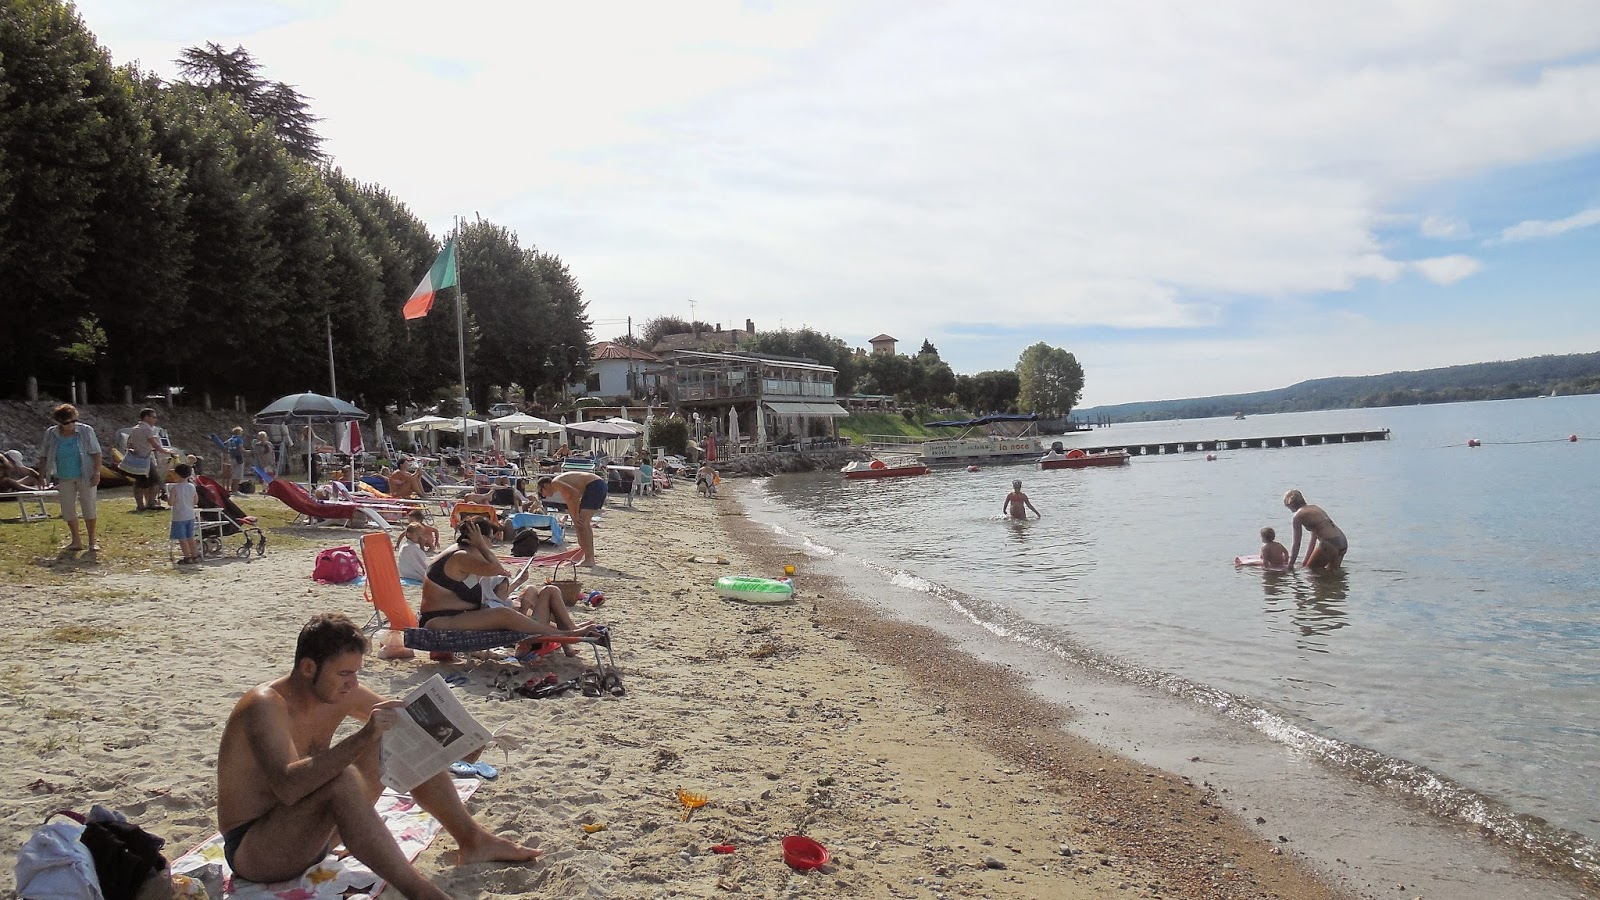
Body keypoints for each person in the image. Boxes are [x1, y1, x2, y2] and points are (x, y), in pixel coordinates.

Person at [216, 614, 540, 898]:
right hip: (257, 851)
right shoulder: (266, 705)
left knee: (396, 735)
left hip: (316, 838)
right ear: (307, 667)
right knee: (342, 778)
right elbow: (288, 788)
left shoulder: (338, 692)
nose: (352, 684)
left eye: (355, 673)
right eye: (344, 674)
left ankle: (472, 840)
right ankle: (421, 892)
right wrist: (364, 735)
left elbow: (405, 721)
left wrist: (461, 745)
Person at [418, 518, 599, 643]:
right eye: (490, 539)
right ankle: (565, 635)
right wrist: (481, 544)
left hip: (454, 617)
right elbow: (496, 569)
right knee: (505, 615)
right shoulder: (461, 555)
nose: (492, 544)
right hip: (439, 621)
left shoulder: (462, 554)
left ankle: (569, 631)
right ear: (478, 538)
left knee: (517, 614)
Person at [36, 404, 102, 552]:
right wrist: (41, 476)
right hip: (64, 476)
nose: (71, 425)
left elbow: (96, 453)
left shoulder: (86, 430)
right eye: (67, 423)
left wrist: (97, 473)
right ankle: (76, 540)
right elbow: (44, 455)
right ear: (59, 422)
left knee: (89, 507)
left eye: (74, 421)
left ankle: (92, 541)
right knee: (67, 509)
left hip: (85, 474)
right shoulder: (51, 433)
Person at [536, 471, 606, 567]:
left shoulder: (555, 482)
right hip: (596, 485)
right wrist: (575, 518)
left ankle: (589, 559)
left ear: (545, 485)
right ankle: (588, 557)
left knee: (583, 524)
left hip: (594, 485)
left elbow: (576, 494)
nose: (543, 495)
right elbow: (570, 504)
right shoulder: (562, 488)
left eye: (541, 491)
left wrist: (577, 515)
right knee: (581, 524)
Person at [1283, 489, 1348, 571]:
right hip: (1342, 542)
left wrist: (1291, 564)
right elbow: (1313, 539)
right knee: (1333, 574)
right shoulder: (1315, 508)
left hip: (1329, 543)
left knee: (1312, 572)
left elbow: (1297, 543)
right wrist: (1306, 561)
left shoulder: (1298, 516)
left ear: (1290, 504)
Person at [125, 407, 175, 512]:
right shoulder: (146, 429)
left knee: (139, 482)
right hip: (146, 459)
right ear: (147, 417)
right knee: (156, 481)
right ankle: (151, 503)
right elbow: (155, 444)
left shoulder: (135, 428)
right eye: (154, 417)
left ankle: (140, 505)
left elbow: (129, 443)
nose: (155, 420)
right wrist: (167, 451)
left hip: (137, 459)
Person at [170, 463, 201, 564]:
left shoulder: (175, 488)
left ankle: (187, 557)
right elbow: (195, 500)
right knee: (190, 537)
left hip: (179, 517)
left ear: (177, 475)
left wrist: (168, 498)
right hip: (190, 515)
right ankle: (195, 555)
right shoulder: (192, 486)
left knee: (182, 539)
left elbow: (171, 502)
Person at [226, 427, 247, 492]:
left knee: (233, 474)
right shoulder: (239, 439)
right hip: (239, 458)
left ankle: (232, 489)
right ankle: (235, 490)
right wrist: (247, 451)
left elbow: (225, 447)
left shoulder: (229, 440)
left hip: (232, 458)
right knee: (238, 475)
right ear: (239, 432)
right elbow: (240, 449)